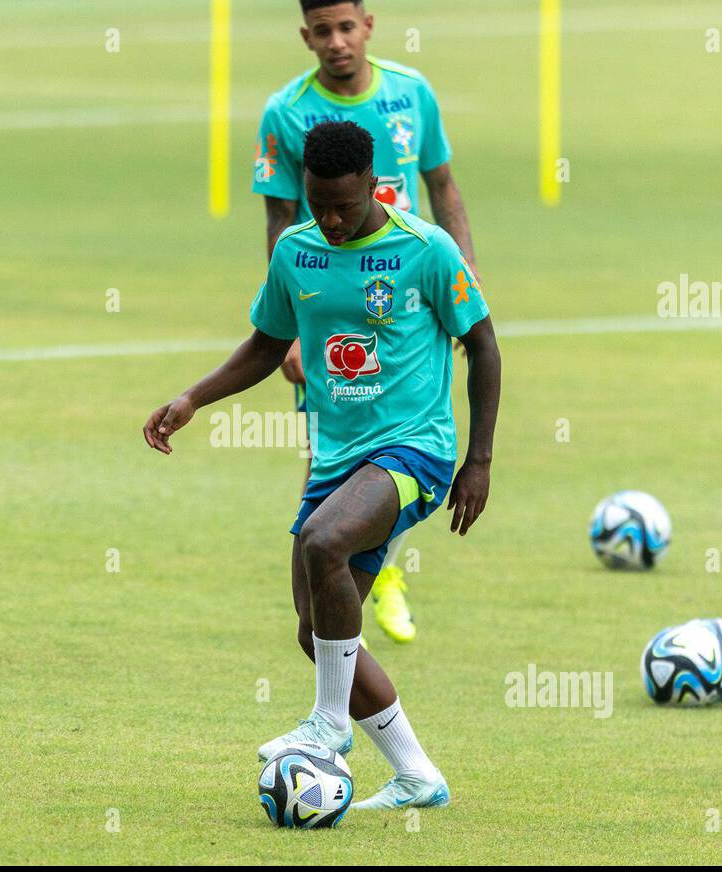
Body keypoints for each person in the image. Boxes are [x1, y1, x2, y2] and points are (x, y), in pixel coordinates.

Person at [145, 121, 500, 809]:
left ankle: (329, 725)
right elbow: (264, 343)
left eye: (344, 205)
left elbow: (483, 346)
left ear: (374, 185)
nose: (330, 219)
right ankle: (418, 777)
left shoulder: (426, 250)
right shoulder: (296, 252)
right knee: (317, 630)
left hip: (415, 449)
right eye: (317, 204)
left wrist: (478, 459)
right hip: (335, 457)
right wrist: (193, 398)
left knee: (324, 542)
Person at [253, 0, 479, 644]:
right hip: (328, 301)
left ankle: (376, 571)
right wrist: (294, 323)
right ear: (306, 36)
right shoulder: (286, 112)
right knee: (329, 442)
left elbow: (443, 185)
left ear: (368, 25)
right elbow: (278, 219)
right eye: (322, 31)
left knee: (404, 433)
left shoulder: (411, 94)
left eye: (346, 27)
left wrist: (468, 271)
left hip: (408, 291)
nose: (337, 42)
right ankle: (343, 572)